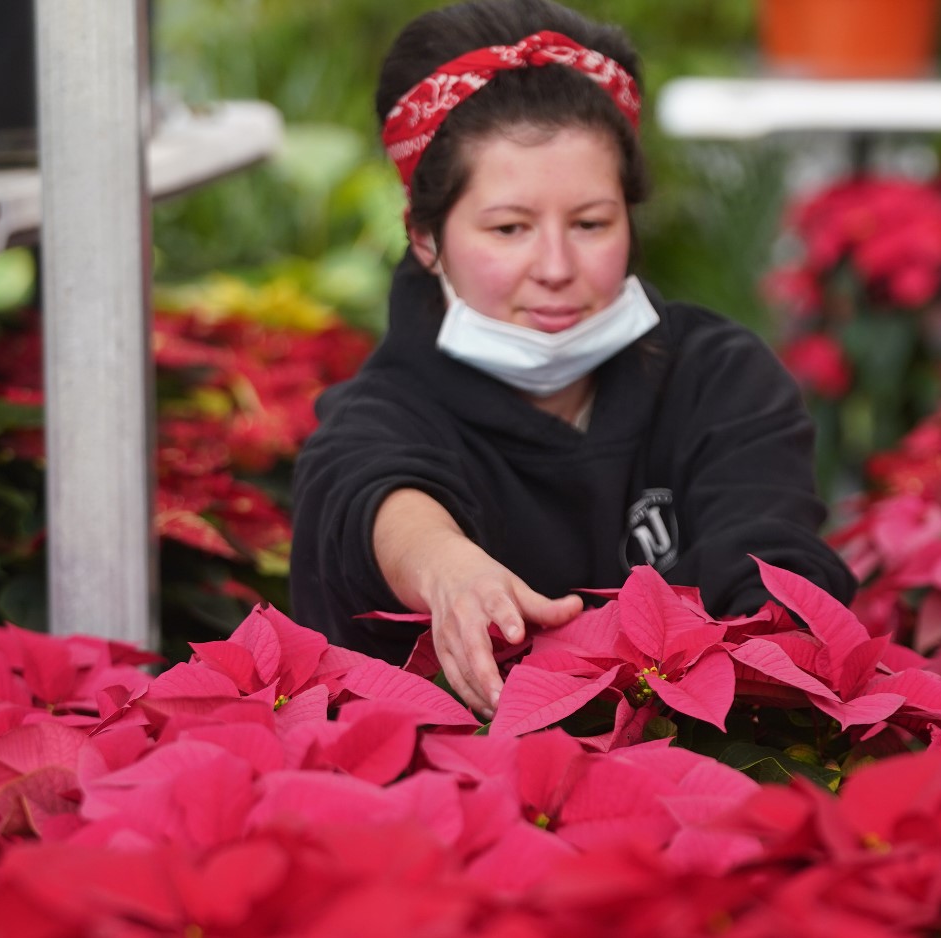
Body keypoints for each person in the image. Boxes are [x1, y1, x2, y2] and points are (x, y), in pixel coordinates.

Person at [290, 0, 855, 717]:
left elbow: (775, 563)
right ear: (425, 236)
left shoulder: (717, 378)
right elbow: (372, 491)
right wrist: (446, 570)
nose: (556, 267)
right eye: (509, 227)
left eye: (590, 223)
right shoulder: (384, 414)